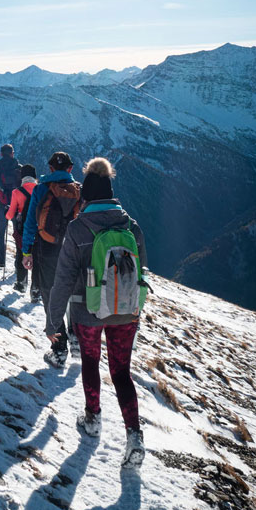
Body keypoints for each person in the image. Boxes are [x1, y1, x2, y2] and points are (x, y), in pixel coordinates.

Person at [46, 157, 148, 468]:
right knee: (121, 373)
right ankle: (134, 436)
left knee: (91, 362)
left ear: (86, 196)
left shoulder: (78, 228)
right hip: (126, 311)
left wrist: (53, 323)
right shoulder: (131, 226)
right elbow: (141, 269)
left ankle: (92, 419)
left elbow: (63, 279)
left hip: (87, 311)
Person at [21, 151, 81, 367]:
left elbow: (30, 222)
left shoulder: (41, 189)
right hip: (74, 250)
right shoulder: (79, 191)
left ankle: (59, 348)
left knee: (49, 294)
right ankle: (77, 338)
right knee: (74, 293)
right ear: (70, 168)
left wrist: (26, 252)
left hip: (46, 248)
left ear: (51, 168)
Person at [6, 164, 37, 293]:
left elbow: (10, 215)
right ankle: (36, 289)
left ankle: (21, 284)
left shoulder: (17, 192)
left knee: (21, 254)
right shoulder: (41, 190)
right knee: (37, 256)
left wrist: (6, 212)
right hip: (39, 228)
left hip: (22, 228)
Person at [0, 144, 21, 267]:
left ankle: (1, 259)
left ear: (1, 154)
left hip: (3, 203)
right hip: (17, 206)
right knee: (18, 233)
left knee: (0, 232)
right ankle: (19, 262)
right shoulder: (19, 167)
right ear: (12, 153)